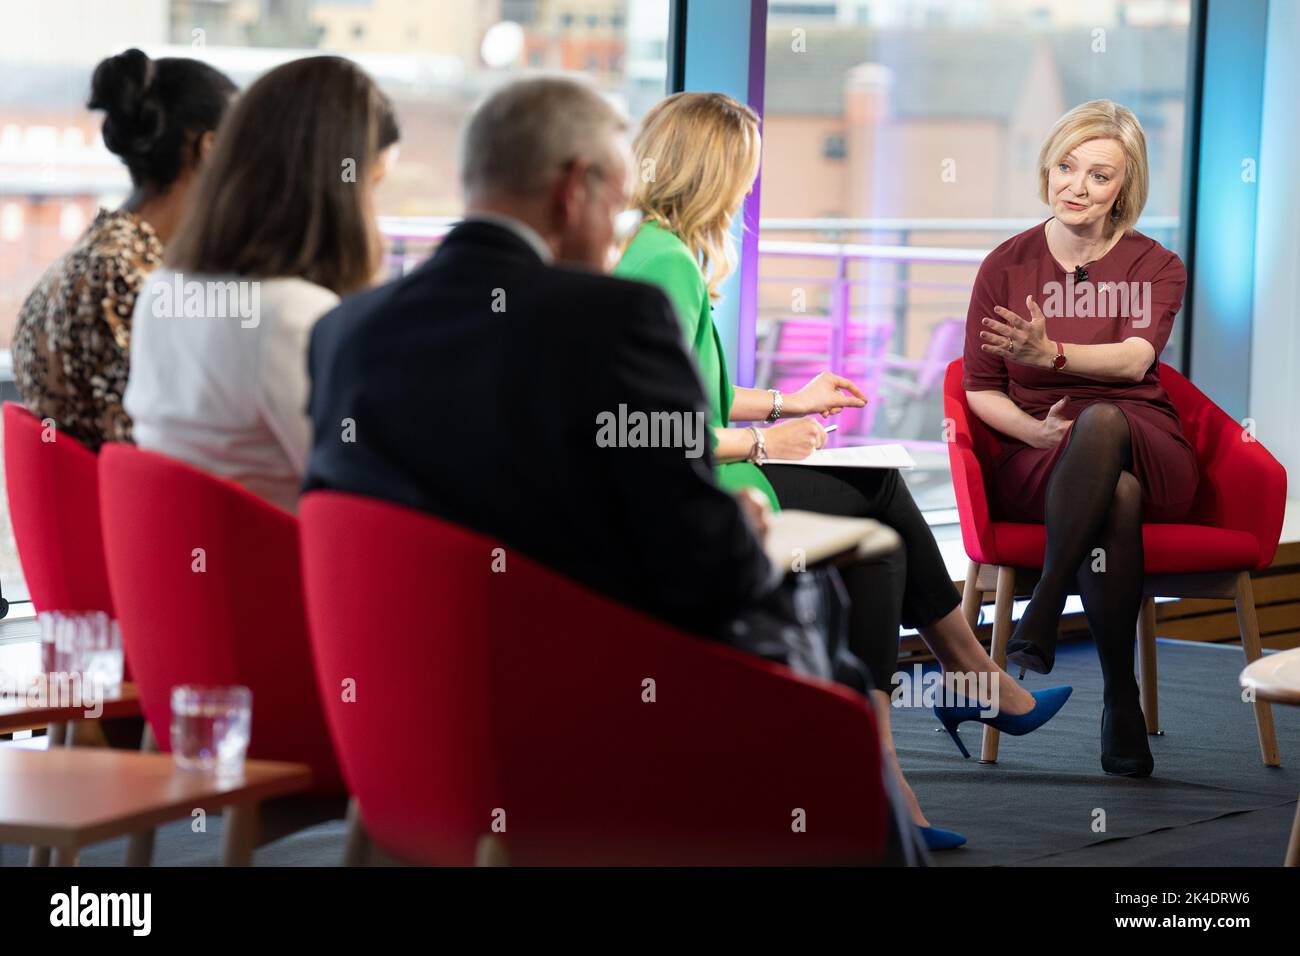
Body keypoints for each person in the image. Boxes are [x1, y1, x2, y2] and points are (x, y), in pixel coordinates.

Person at [615, 92, 1073, 848]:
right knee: (879, 522)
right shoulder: (666, 264)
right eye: (747, 171)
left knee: (880, 504)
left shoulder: (662, 251)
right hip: (701, 496)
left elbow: (704, 391)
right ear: (715, 172)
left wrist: (789, 401)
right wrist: (766, 445)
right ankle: (926, 726)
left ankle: (904, 747)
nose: (750, 187)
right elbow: (658, 428)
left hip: (712, 480)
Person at [963, 100, 1194, 778]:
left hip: (1147, 442)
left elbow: (1133, 361)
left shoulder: (1156, 264)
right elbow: (980, 389)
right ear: (1048, 166)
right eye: (1067, 166)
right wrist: (1035, 430)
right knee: (1111, 494)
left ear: (1125, 188)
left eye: (1099, 176)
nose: (1076, 186)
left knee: (1106, 421)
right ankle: (1120, 700)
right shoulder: (1006, 265)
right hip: (1043, 454)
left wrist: (1052, 353)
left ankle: (1044, 604)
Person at [124, 57, 400, 513]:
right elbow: (369, 493)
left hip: (193, 576)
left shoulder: (164, 290)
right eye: (372, 186)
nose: (374, 215)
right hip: (284, 577)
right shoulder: (293, 316)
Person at [12, 49, 235, 450]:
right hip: (136, 507)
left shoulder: (100, 254)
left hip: (108, 505)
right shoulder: (126, 276)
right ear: (210, 148)